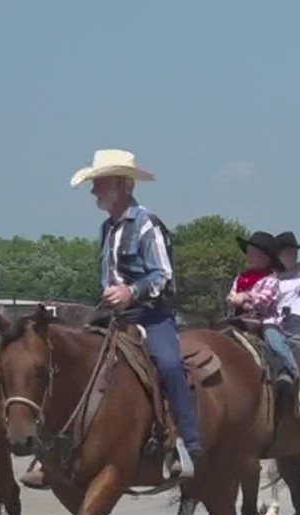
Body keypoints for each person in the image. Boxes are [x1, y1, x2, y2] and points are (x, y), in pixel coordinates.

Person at [45, 149, 202, 485]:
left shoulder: (147, 224)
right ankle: (58, 447)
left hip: (151, 315)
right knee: (68, 359)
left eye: (98, 184)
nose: (93, 192)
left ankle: (187, 442)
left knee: (170, 365)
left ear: (122, 186)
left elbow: (163, 276)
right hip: (113, 315)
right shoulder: (107, 229)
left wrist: (131, 292)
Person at [228, 231, 300, 398]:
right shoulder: (241, 277)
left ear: (266, 258)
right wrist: (235, 299)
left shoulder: (271, 279)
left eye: (254, 254)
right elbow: (232, 295)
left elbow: (264, 299)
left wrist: (244, 298)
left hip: (265, 321)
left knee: (274, 342)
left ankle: (291, 370)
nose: (250, 256)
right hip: (239, 320)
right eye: (249, 252)